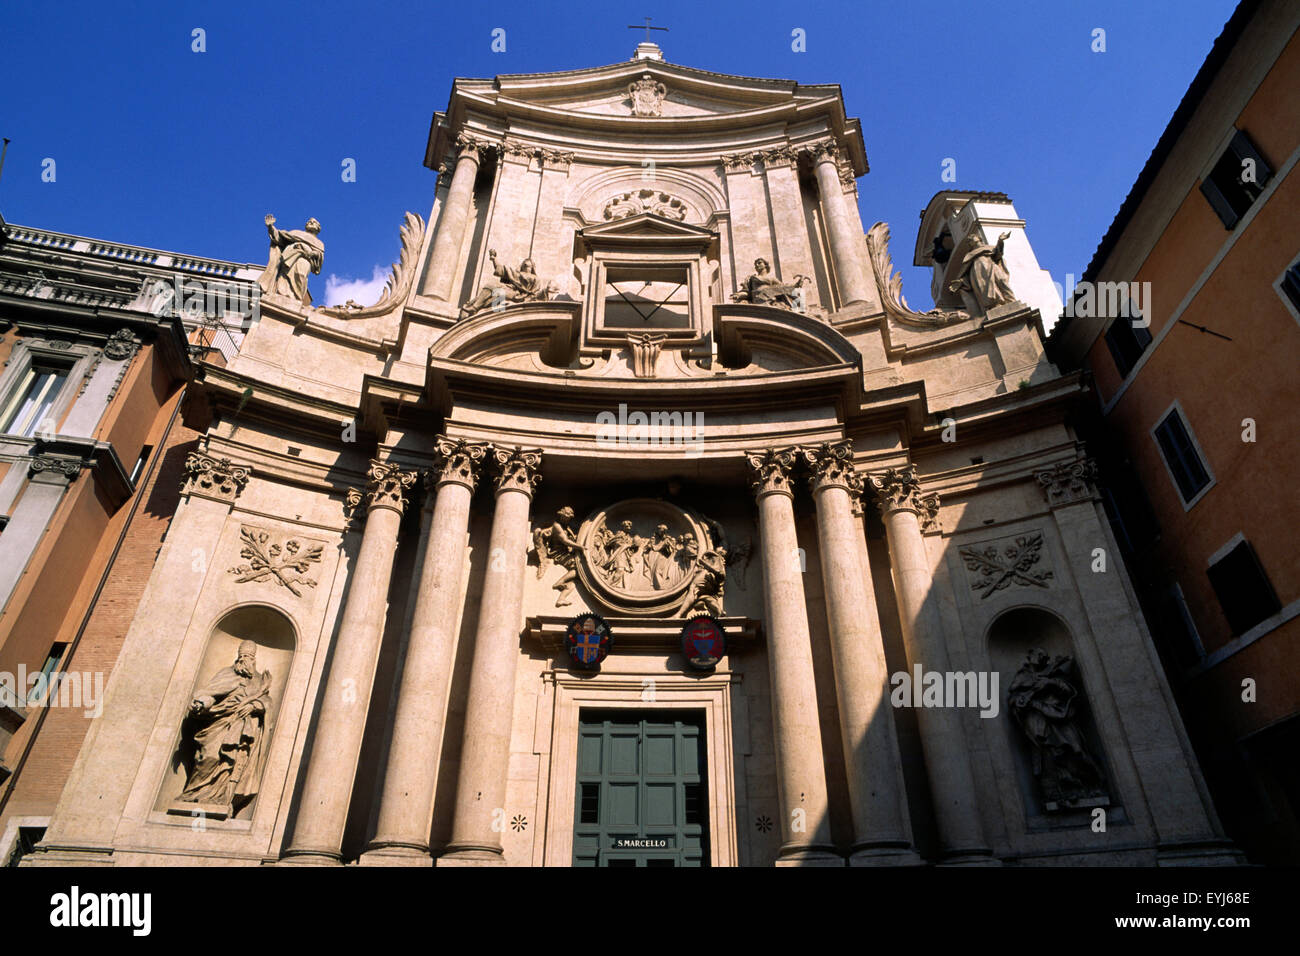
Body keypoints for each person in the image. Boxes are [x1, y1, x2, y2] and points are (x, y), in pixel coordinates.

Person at [176, 641, 273, 812]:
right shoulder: (226, 674)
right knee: (208, 756)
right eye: (242, 656)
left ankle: (220, 797)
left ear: (254, 659)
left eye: (248, 657)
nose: (244, 660)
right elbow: (211, 693)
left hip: (241, 727)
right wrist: (202, 703)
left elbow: (267, 702)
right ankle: (193, 793)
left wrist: (255, 705)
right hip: (219, 723)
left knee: (232, 762)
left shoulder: (258, 681)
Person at [257, 214, 323, 306]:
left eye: (314, 222)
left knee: (301, 275)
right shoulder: (296, 232)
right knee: (284, 277)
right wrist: (271, 227)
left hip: (304, 258)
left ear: (318, 228)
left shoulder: (319, 243)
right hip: (288, 256)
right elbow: (280, 237)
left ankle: (296, 299)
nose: (310, 222)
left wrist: (314, 253)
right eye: (309, 221)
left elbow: (319, 259)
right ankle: (282, 295)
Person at [459, 249, 544, 318]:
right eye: (524, 265)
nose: (525, 268)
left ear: (532, 267)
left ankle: (474, 307)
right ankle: (474, 307)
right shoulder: (517, 274)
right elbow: (503, 270)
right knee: (490, 286)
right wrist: (494, 259)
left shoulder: (536, 279)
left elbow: (534, 294)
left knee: (497, 292)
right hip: (510, 289)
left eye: (527, 266)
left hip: (518, 295)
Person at [948, 231, 1016, 313]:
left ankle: (1011, 301)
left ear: (978, 238)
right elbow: (965, 272)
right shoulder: (970, 255)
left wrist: (1000, 241)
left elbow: (998, 254)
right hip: (979, 271)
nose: (970, 241)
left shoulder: (989, 248)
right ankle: (995, 305)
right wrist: (961, 281)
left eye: (971, 238)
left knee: (1002, 281)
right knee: (986, 288)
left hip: (992, 266)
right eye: (969, 241)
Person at [731, 257, 808, 311]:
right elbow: (747, 292)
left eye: (759, 263)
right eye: (755, 264)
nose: (756, 265)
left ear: (765, 265)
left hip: (769, 300)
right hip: (757, 300)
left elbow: (784, 288)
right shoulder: (751, 278)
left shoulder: (772, 279)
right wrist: (738, 295)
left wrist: (799, 282)